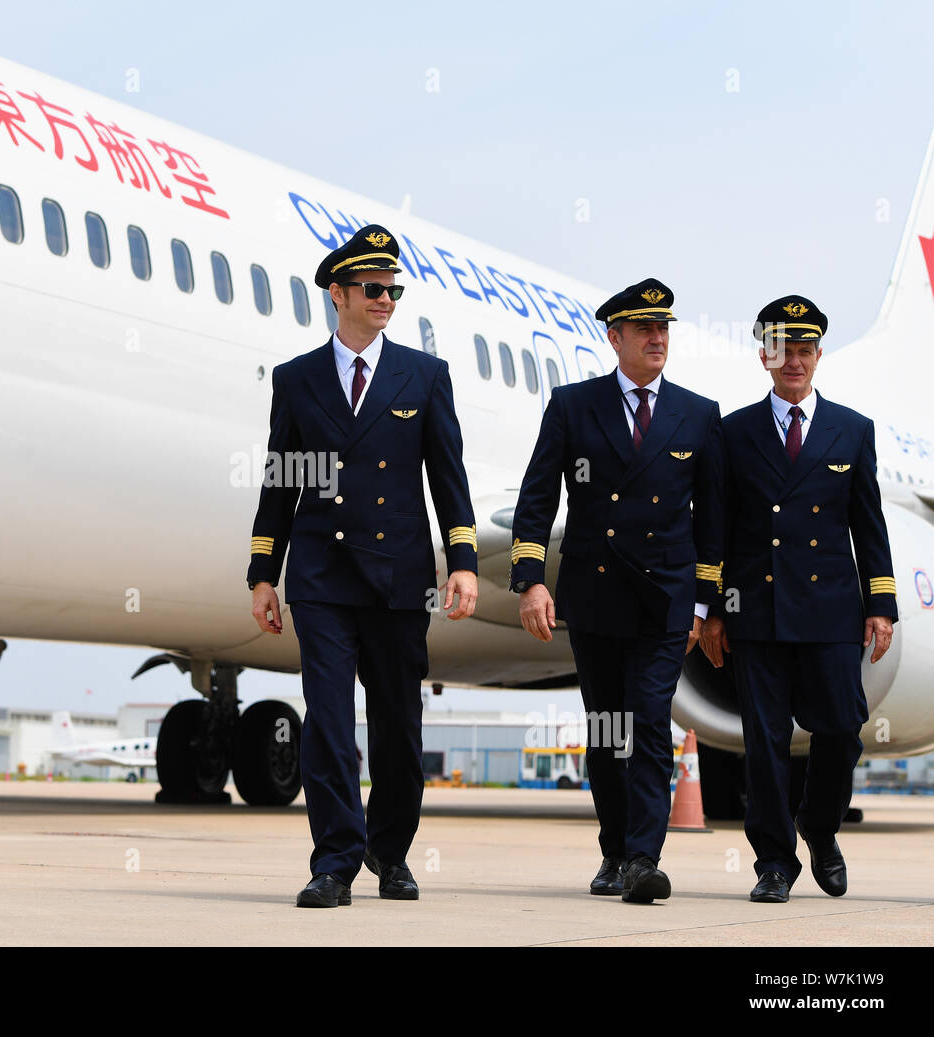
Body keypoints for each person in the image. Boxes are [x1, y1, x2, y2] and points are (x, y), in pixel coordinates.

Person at [246, 225, 479, 908]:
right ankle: (335, 860)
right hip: (321, 577)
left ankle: (392, 848)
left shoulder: (424, 376)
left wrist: (461, 561)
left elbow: (449, 477)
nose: (386, 299)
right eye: (373, 289)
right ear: (338, 293)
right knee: (326, 718)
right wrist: (264, 573)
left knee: (399, 726)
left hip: (399, 576)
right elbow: (280, 483)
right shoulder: (296, 381)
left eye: (392, 289)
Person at [509, 278, 724, 903]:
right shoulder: (574, 406)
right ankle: (613, 850)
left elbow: (712, 520)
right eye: (644, 330)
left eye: (664, 329)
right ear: (616, 337)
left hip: (664, 600)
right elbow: (538, 495)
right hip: (595, 593)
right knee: (607, 729)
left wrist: (705, 604)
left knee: (650, 723)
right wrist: (529, 581)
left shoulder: (697, 413)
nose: (658, 339)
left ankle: (642, 858)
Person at [700, 295, 897, 903]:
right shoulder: (732, 433)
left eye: (805, 350)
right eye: (783, 349)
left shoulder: (852, 430)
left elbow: (868, 522)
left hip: (831, 611)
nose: (795, 361)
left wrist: (881, 602)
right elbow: (716, 525)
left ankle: (820, 827)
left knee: (842, 728)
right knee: (763, 741)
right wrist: (709, 608)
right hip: (756, 611)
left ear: (818, 356)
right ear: (764, 355)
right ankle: (775, 863)